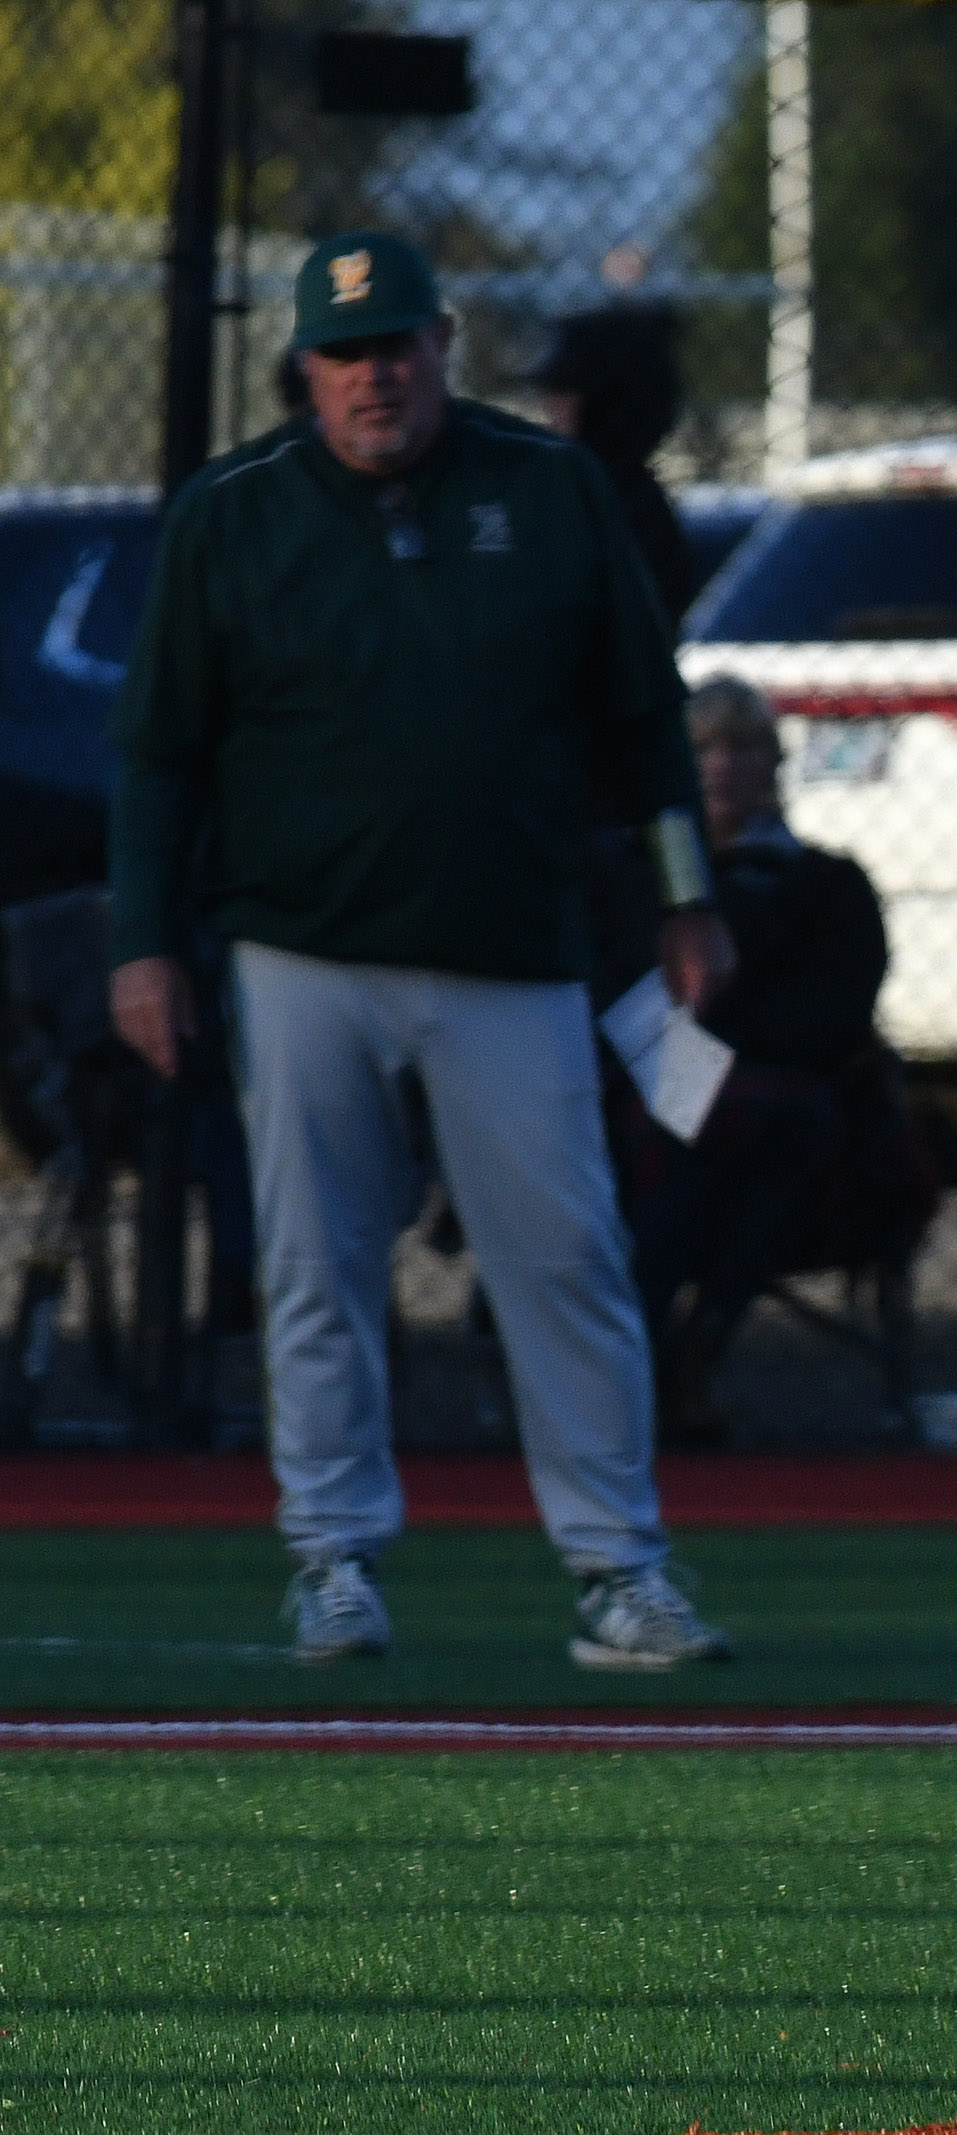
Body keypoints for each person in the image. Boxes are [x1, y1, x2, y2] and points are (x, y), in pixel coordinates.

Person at [107, 231, 733, 1669]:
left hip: (511, 945)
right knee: (316, 1258)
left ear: (442, 342)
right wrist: (145, 944)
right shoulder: (234, 512)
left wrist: (687, 892)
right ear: (304, 371)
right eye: (343, 354)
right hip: (301, 945)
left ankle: (617, 1569)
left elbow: (644, 714)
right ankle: (332, 1557)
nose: (372, 377)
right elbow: (158, 754)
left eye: (394, 345)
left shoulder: (551, 488)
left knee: (563, 1251)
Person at [619, 677, 920, 1447]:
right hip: (653, 1084)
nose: (723, 767)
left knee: (775, 1119)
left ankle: (689, 1347)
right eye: (704, 750)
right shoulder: (630, 877)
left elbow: (836, 1010)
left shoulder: (828, 885)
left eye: (744, 748)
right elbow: (612, 993)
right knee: (687, 1127)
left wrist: (729, 1046)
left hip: (779, 1096)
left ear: (776, 764)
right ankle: (649, 1356)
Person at [525, 304, 696, 619]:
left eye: (564, 391)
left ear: (603, 403)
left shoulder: (602, 506)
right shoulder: (584, 495)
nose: (548, 407)